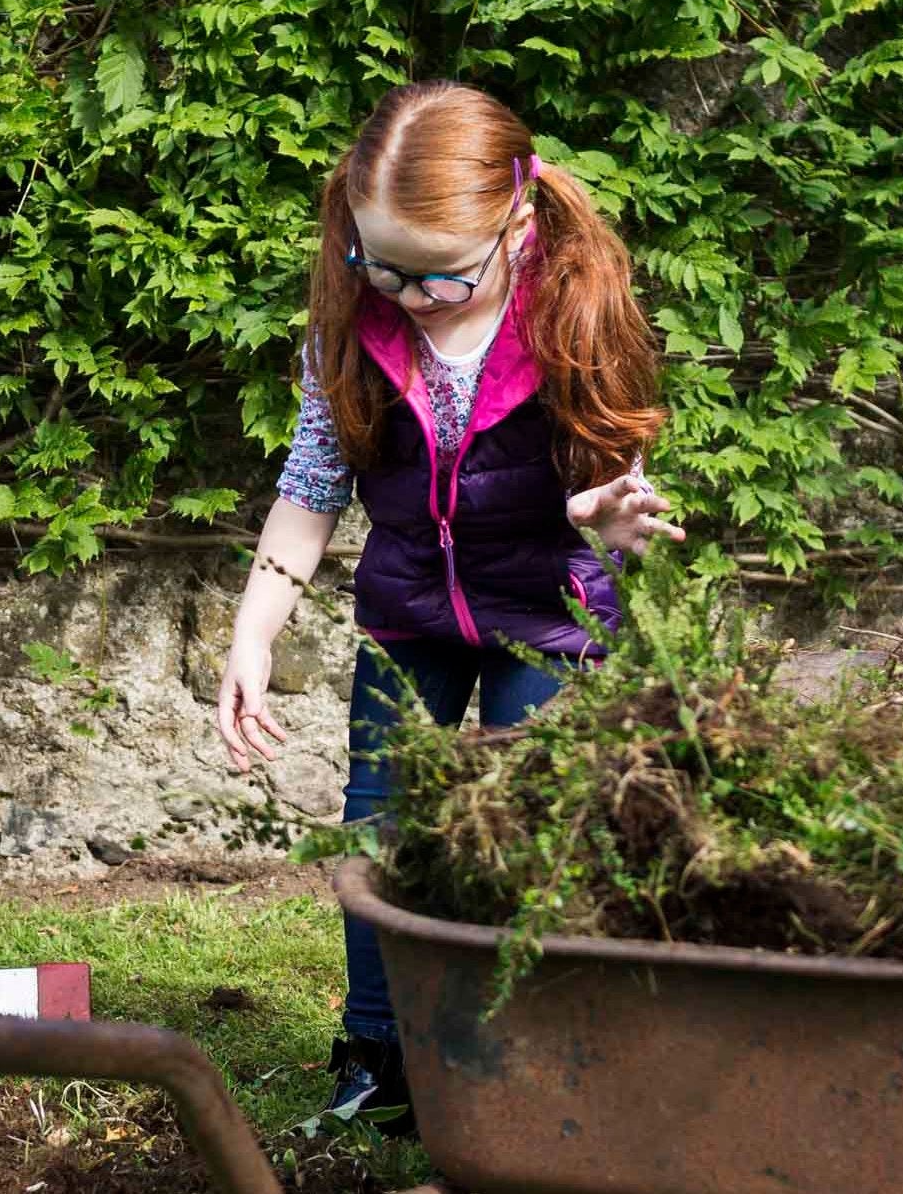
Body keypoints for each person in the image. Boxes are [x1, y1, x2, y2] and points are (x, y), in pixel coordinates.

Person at [212, 80, 683, 1135]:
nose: (410, 296)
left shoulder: (573, 311)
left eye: (439, 275)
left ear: (514, 223)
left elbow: (612, 471)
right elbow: (311, 489)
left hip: (549, 621)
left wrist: (605, 513)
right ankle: (378, 1053)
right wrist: (253, 633)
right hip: (410, 617)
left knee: (531, 834)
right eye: (381, 266)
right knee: (381, 830)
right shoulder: (353, 323)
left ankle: (527, 1058)